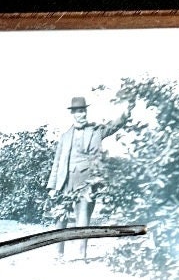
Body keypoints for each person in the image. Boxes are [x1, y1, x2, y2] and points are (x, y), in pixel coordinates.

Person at [47, 94, 134, 260]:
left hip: (87, 182)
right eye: (77, 112)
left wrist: (127, 111)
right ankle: (59, 253)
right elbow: (57, 162)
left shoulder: (96, 131)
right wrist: (52, 187)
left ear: (86, 113)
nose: (81, 115)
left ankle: (82, 255)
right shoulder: (65, 136)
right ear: (72, 114)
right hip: (65, 182)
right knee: (60, 217)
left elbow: (113, 125)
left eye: (83, 111)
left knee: (83, 217)